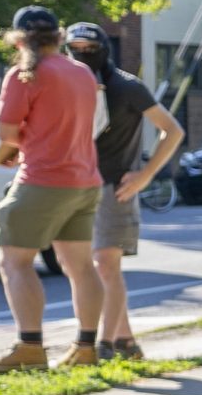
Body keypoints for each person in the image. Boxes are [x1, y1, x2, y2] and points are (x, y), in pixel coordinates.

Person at [0, 6, 107, 373]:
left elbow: (6, 134)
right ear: (58, 36)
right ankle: (86, 347)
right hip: (85, 181)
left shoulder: (24, 74)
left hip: (43, 180)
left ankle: (30, 348)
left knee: (13, 260)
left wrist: (17, 147)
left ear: (19, 40)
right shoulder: (82, 72)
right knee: (81, 266)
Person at [65, 22, 183, 361]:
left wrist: (146, 175)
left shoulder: (127, 86)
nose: (82, 55)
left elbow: (172, 130)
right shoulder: (69, 85)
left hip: (115, 188)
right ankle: (126, 341)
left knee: (106, 265)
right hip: (76, 187)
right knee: (82, 267)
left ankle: (103, 345)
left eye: (89, 48)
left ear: (104, 49)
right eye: (74, 48)